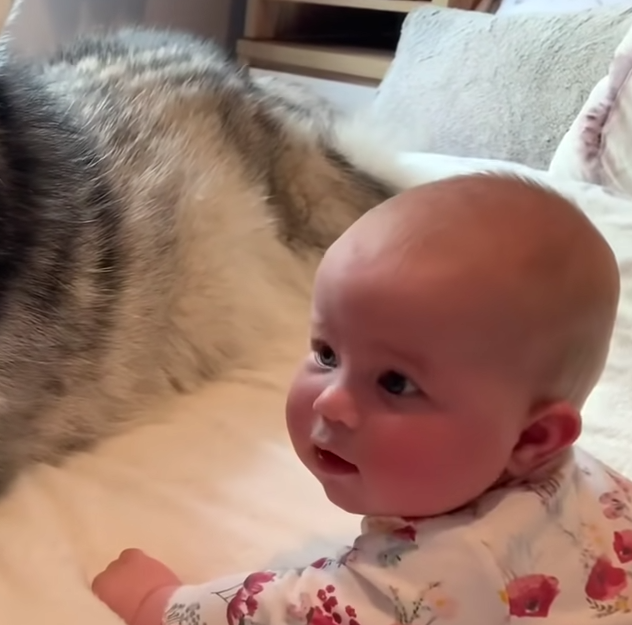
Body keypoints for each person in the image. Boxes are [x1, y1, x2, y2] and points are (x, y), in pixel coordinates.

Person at [91, 172, 632, 625]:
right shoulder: (594, 485)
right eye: (327, 353)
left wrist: (158, 604)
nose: (329, 402)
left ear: (533, 437)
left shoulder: (429, 575)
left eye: (395, 383)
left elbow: (287, 613)